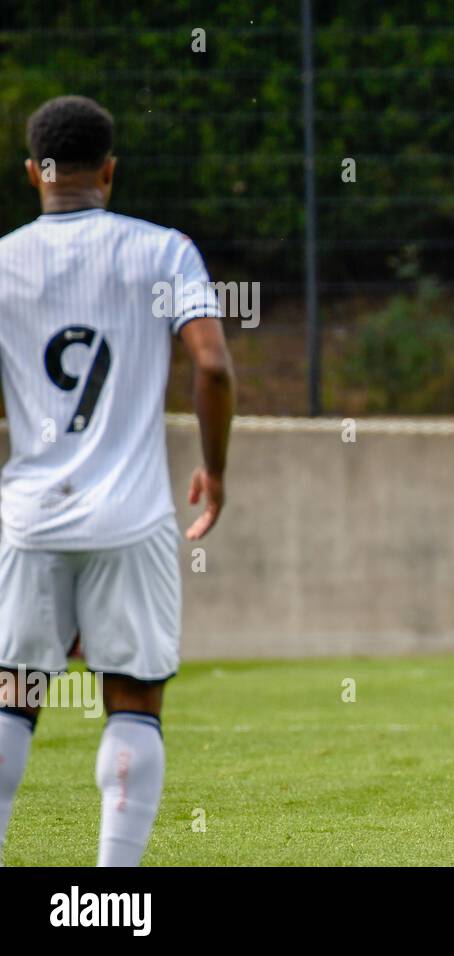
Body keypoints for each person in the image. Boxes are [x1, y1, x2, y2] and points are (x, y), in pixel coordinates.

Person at [0, 96, 235, 866]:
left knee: (14, 696)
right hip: (131, 519)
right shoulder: (163, 251)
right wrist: (216, 470)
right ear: (109, 170)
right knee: (133, 697)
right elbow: (212, 365)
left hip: (29, 518)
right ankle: (113, 888)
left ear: (35, 172)